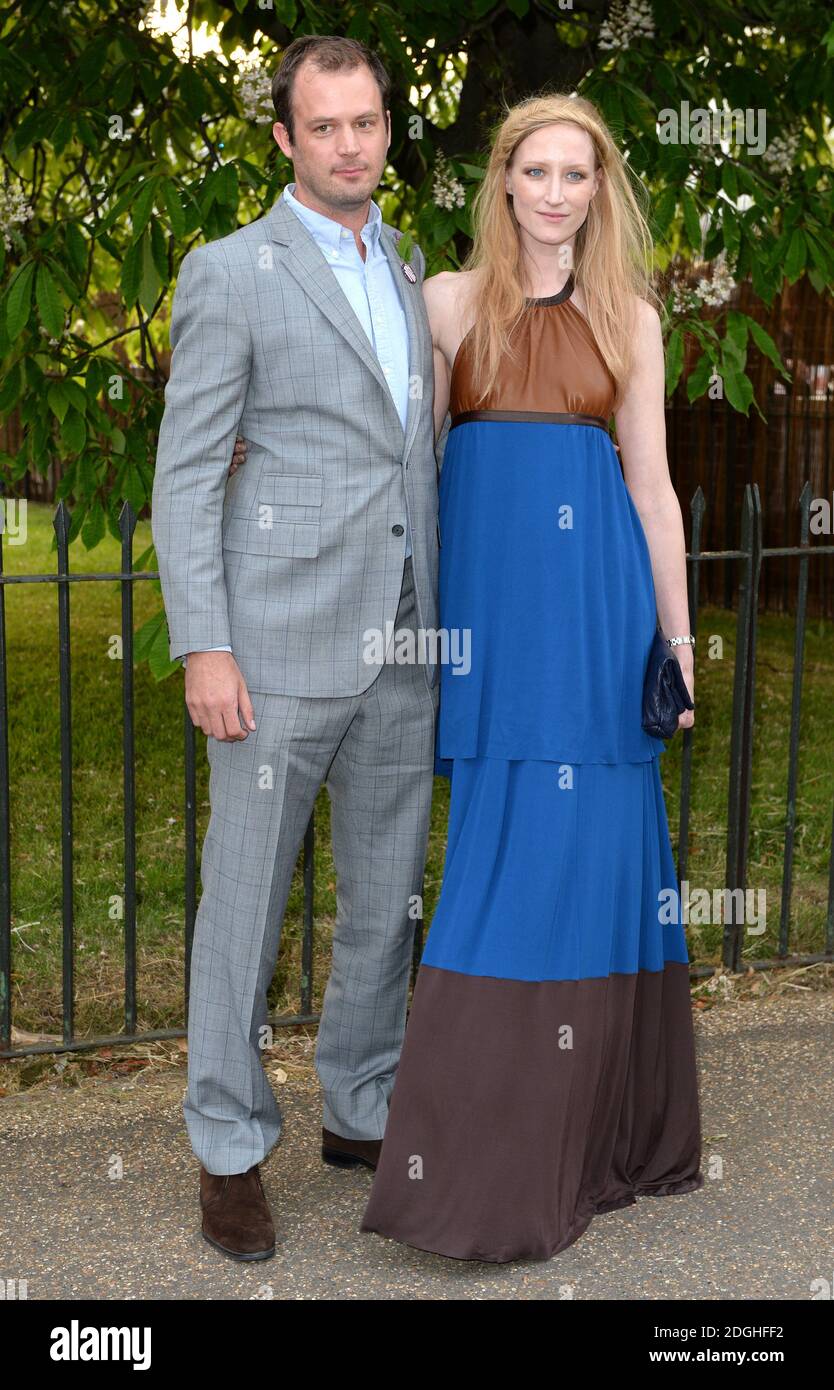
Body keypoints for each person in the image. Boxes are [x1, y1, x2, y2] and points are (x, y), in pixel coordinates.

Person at [358, 93, 704, 1262]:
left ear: (599, 191)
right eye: (537, 171)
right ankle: (475, 1172)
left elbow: (651, 491)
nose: (557, 193)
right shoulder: (445, 306)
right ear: (501, 181)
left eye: (579, 174)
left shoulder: (633, 320)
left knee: (605, 863)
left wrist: (678, 643)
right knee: (507, 875)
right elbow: (389, 462)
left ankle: (609, 1141)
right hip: (497, 643)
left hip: (602, 628)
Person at [151, 34, 439, 1261]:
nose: (350, 145)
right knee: (245, 908)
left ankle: (360, 1105)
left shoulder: (412, 267)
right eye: (324, 127)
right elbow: (185, 474)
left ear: (386, 129)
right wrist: (204, 645)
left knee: (384, 904)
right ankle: (227, 1143)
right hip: (271, 651)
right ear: (284, 139)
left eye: (366, 122)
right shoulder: (230, 270)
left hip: (407, 642)